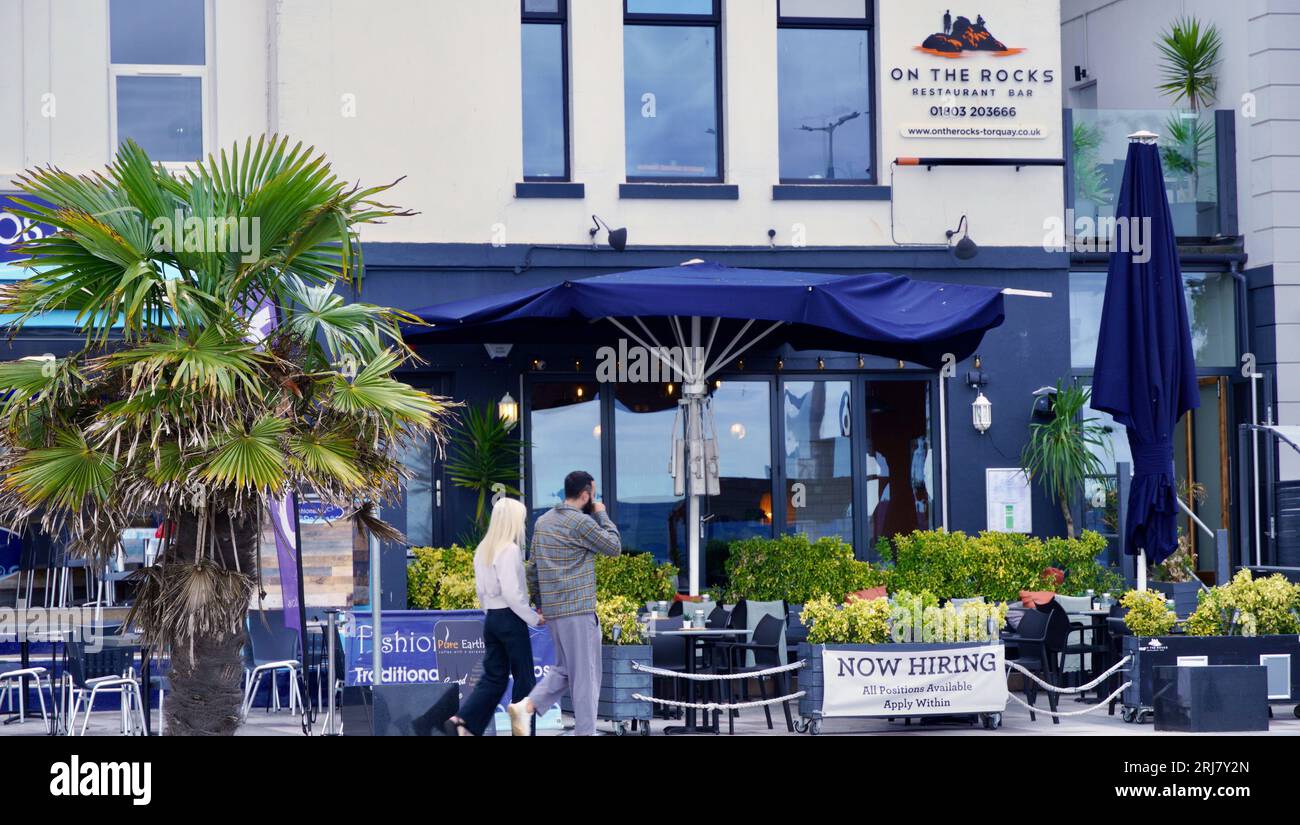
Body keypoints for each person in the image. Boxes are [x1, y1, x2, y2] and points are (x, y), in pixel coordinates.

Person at [507, 471, 621, 736]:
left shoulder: (544, 522)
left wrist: (539, 603)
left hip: (555, 612)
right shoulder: (581, 523)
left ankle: (528, 706)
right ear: (586, 495)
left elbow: (532, 567)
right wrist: (601, 513)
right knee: (586, 679)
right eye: (594, 493)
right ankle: (585, 733)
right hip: (579, 612)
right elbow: (614, 546)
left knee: (565, 669)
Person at [443, 497, 542, 736]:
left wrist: (494, 616)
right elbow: (512, 593)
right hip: (510, 618)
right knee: (525, 678)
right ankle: (524, 731)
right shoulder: (510, 550)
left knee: (494, 677)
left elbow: (481, 591)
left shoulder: (483, 549)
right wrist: (534, 618)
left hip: (493, 620)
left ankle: (463, 720)